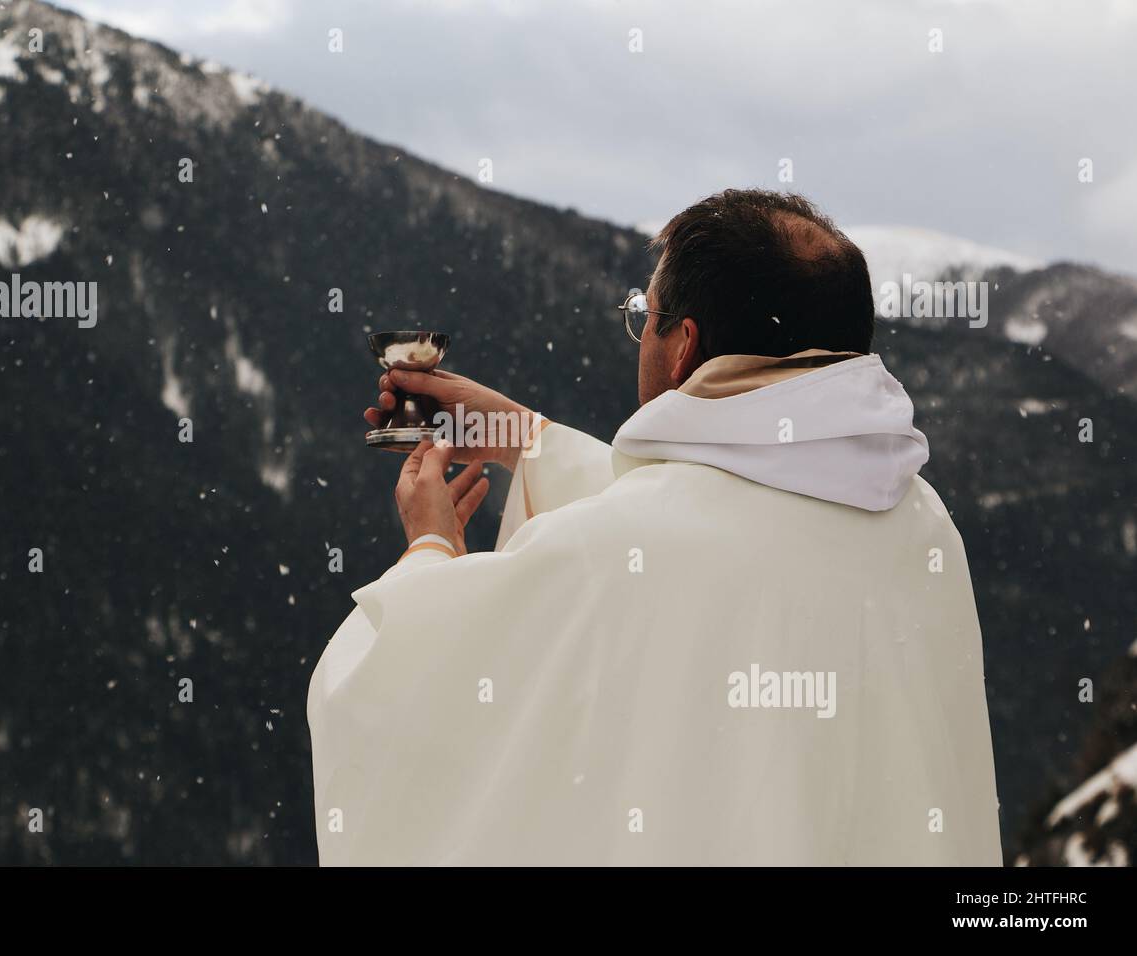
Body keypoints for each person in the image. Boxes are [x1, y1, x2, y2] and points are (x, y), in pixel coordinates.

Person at [307, 189, 1002, 865]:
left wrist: (430, 549)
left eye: (647, 315)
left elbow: (383, 692)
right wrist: (529, 441)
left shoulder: (626, 547)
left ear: (683, 346)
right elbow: (726, 523)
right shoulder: (923, 522)